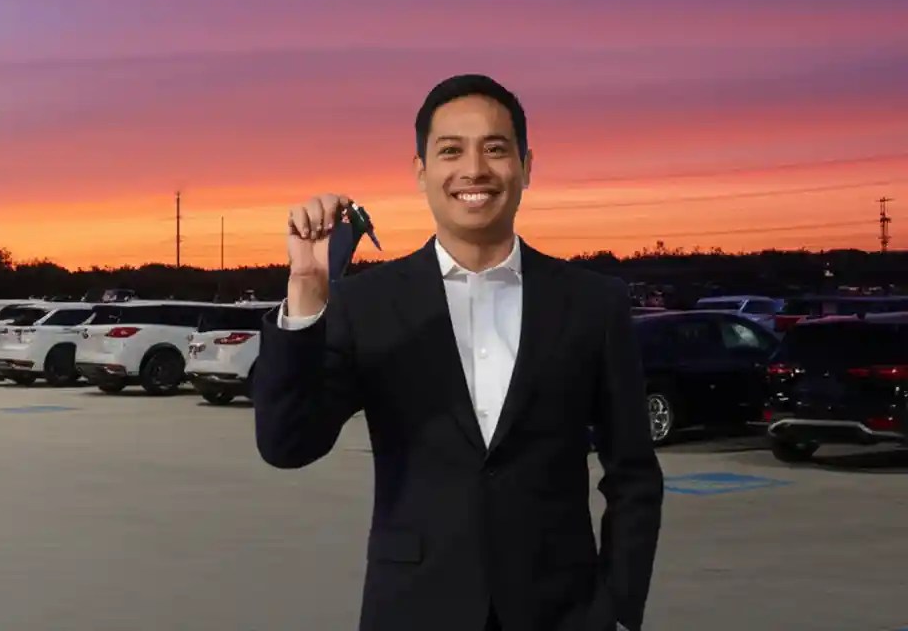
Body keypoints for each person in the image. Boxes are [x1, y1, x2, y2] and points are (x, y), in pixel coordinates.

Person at [252, 74, 664, 631]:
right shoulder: (369, 304)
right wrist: (305, 290)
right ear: (421, 171)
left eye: (495, 149)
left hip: (561, 610)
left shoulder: (592, 304)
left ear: (526, 166)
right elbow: (287, 444)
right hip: (414, 608)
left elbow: (633, 474)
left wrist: (616, 608)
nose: (474, 169)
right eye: (450, 151)